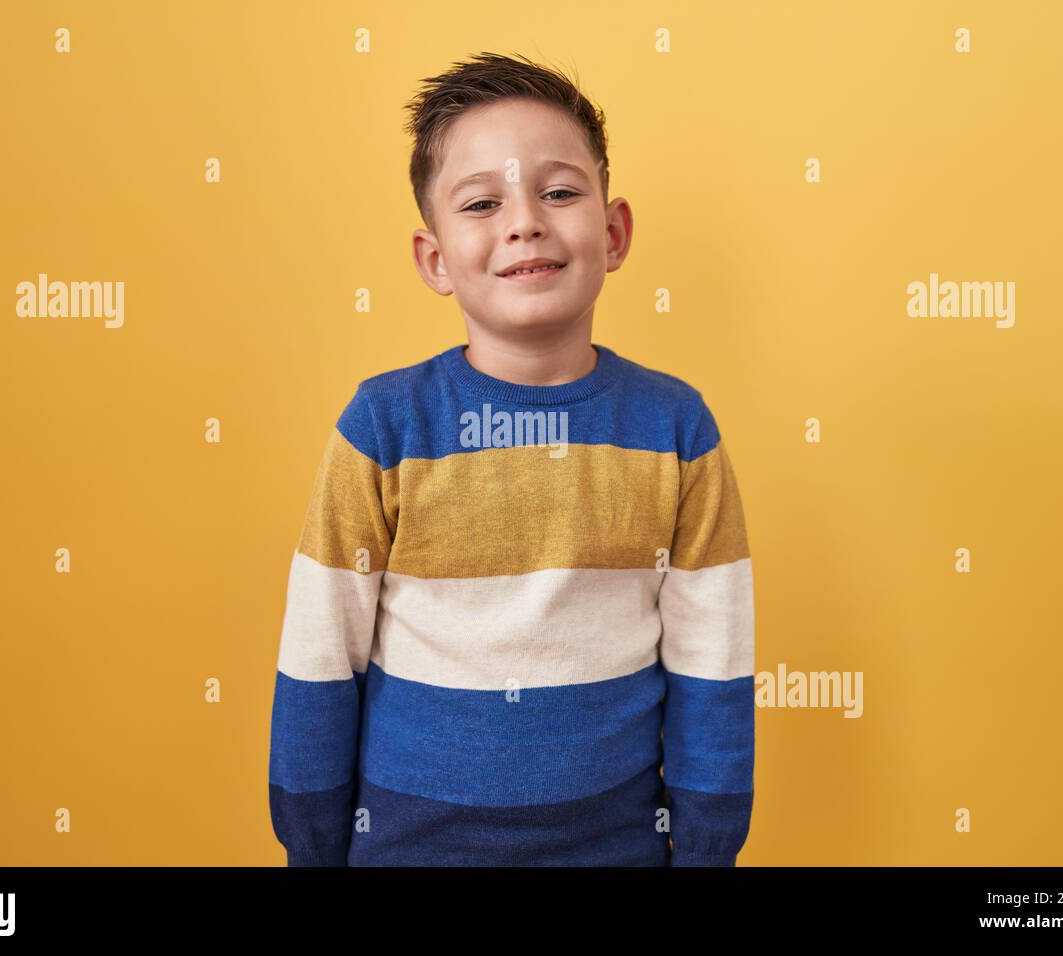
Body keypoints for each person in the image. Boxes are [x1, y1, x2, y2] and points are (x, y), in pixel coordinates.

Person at [268, 51, 754, 866]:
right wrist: (313, 846)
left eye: (559, 192)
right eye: (483, 202)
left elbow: (714, 665)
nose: (524, 221)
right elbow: (322, 655)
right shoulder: (383, 427)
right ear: (434, 260)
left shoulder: (678, 429)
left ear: (614, 231)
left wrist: (705, 849)